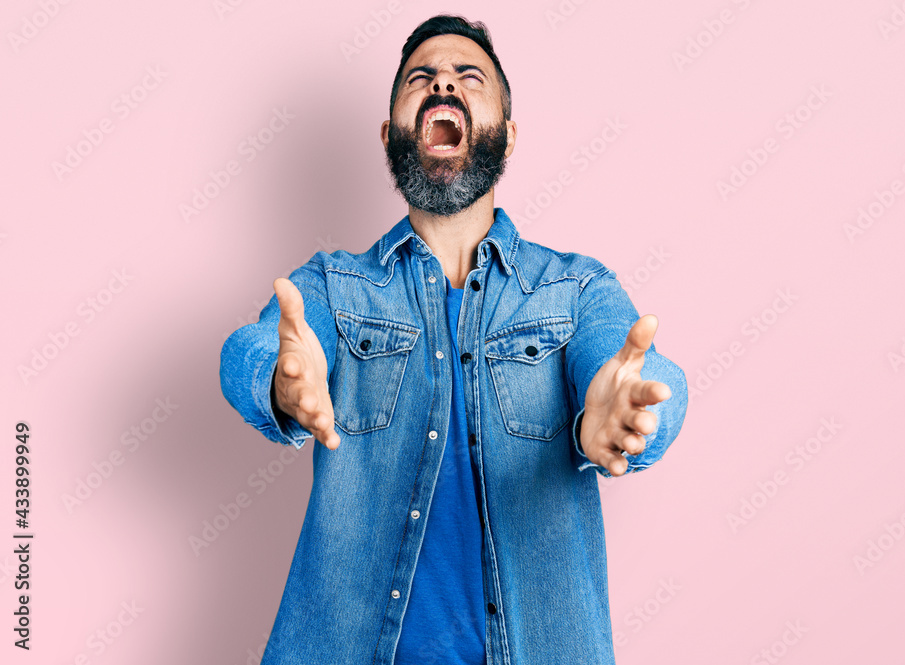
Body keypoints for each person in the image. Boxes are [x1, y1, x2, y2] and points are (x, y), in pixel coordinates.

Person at [219, 14, 688, 665]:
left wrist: (629, 412)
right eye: (421, 77)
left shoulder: (577, 289)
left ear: (509, 134)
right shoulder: (332, 284)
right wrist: (279, 379)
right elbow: (252, 347)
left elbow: (641, 375)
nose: (443, 81)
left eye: (470, 76)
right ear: (391, 135)